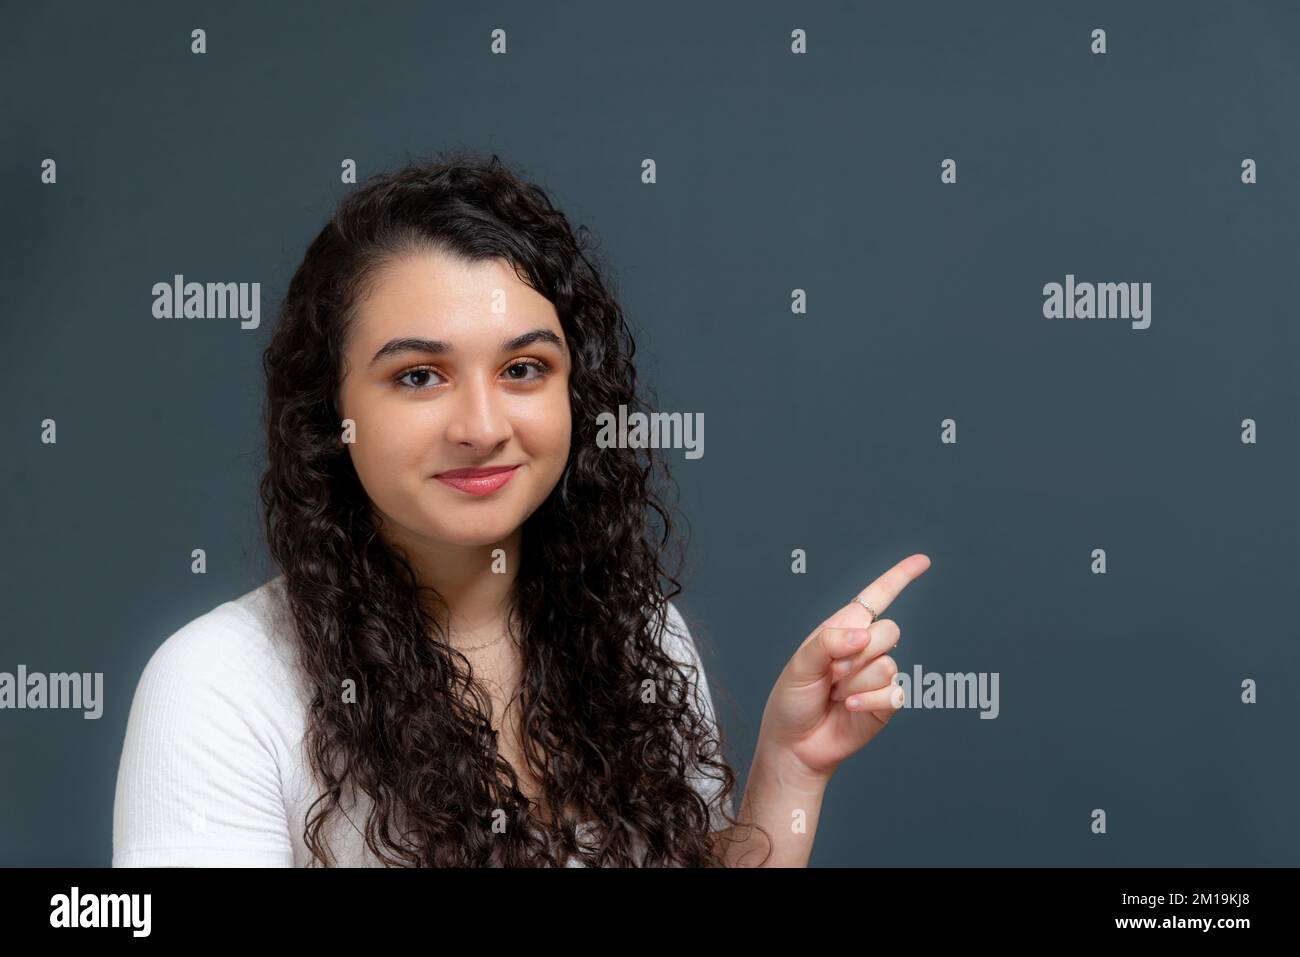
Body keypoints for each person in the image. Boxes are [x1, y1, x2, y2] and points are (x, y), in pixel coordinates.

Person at [112, 151, 929, 867]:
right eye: (419, 376)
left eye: (524, 369)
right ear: (330, 412)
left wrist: (790, 767)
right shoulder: (218, 686)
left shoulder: (638, 635)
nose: (482, 427)